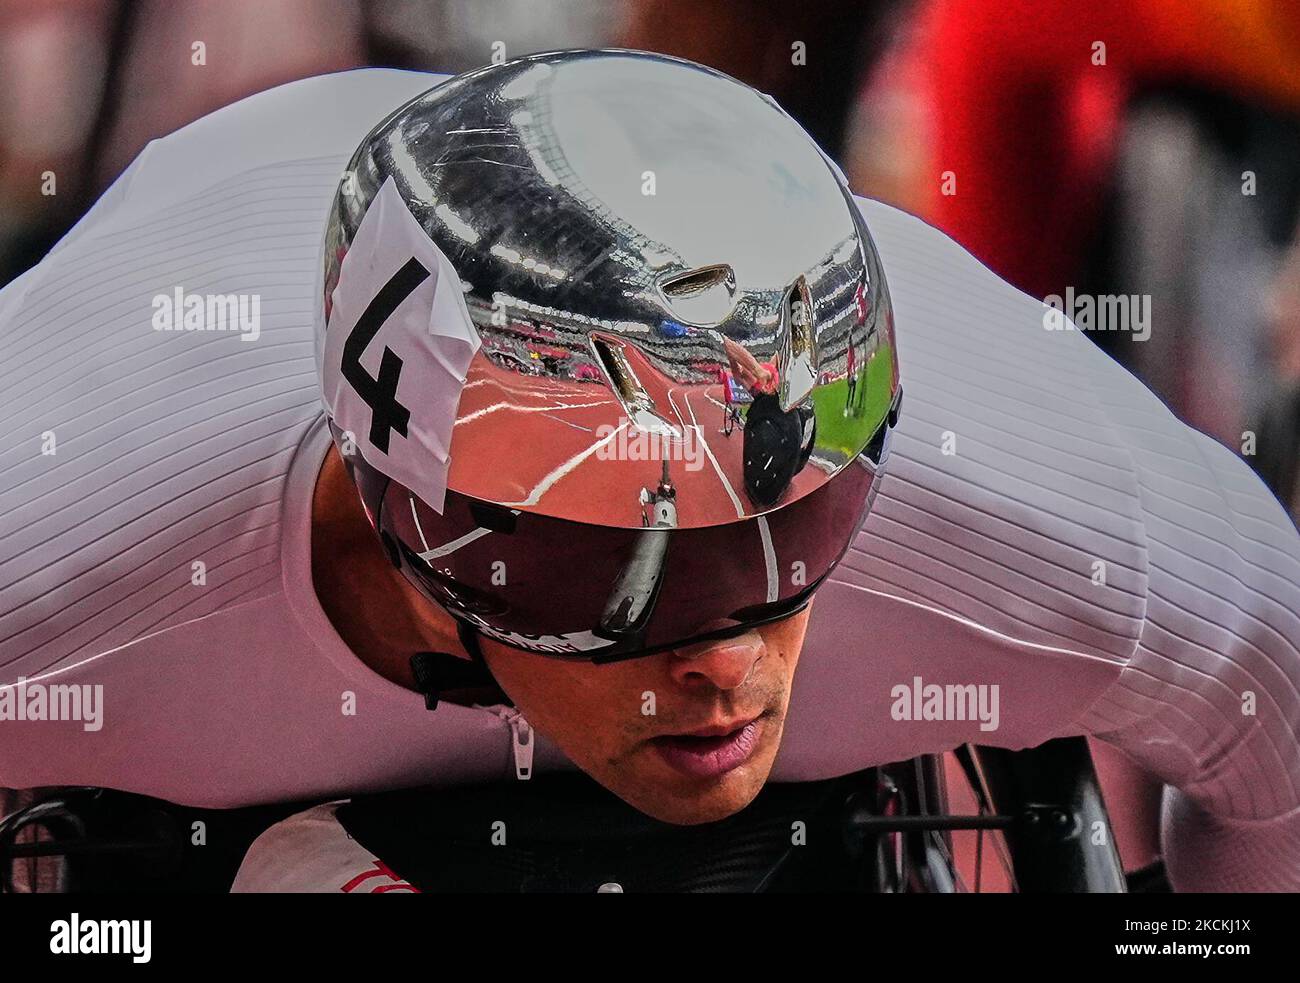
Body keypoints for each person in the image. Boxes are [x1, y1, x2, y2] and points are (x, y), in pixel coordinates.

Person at [0, 51, 1296, 893]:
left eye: (787, 538)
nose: (725, 663)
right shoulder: (56, 532)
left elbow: (1279, 734)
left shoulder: (1035, 502)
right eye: (606, 559)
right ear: (404, 514)